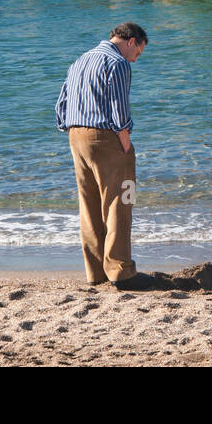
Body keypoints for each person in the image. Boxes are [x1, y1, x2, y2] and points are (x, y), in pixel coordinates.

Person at [55, 22, 153, 291]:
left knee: (89, 205)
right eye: (138, 52)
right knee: (121, 200)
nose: (136, 59)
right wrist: (125, 141)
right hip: (105, 137)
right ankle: (121, 271)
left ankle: (96, 272)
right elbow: (119, 107)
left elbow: (61, 105)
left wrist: (73, 130)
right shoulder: (118, 63)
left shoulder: (80, 60)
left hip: (75, 136)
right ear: (131, 41)